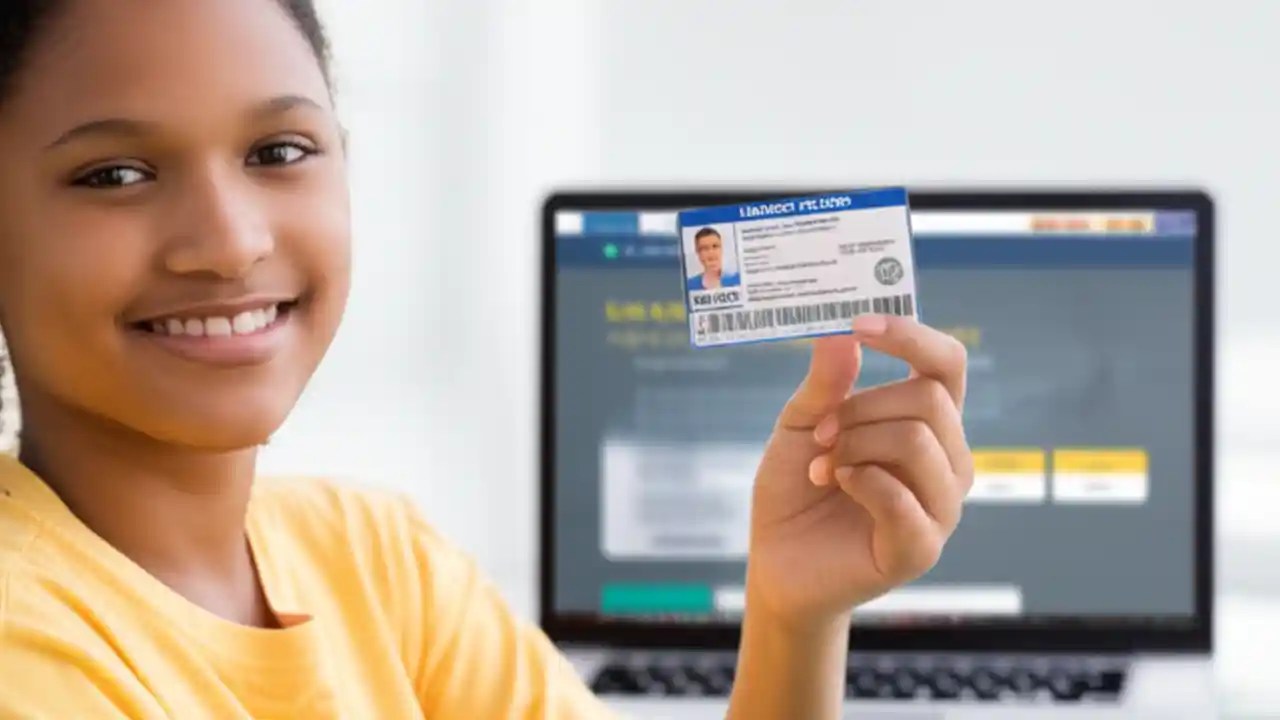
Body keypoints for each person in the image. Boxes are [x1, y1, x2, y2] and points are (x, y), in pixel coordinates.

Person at [0, 1, 972, 718]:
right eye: (114, 175)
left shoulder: (376, 560)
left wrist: (793, 614)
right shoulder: (24, 645)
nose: (228, 239)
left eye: (278, 151)